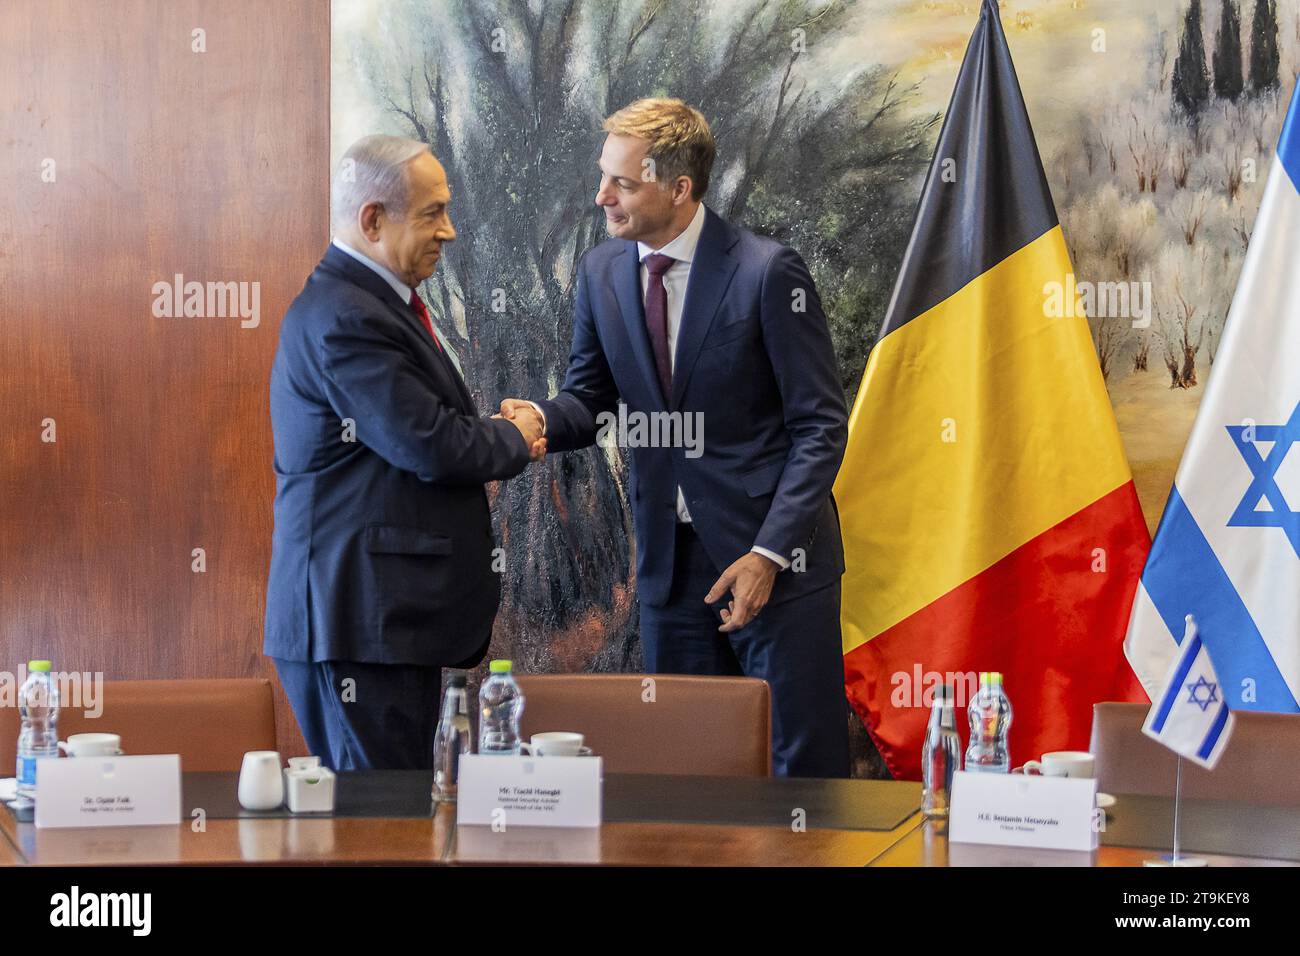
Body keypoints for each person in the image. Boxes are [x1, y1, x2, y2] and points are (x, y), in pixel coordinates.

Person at [501, 99, 850, 777]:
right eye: (604, 177)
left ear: (679, 187)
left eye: (622, 183)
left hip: (776, 566)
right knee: (688, 770)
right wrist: (542, 419)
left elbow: (820, 426)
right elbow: (590, 397)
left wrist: (770, 554)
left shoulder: (768, 273)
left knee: (799, 769)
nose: (601, 196)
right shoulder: (602, 273)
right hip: (667, 566)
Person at [264, 134, 545, 771]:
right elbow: (430, 443)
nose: (448, 230)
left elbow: (418, 432)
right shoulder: (346, 316)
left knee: (399, 821)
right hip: (357, 626)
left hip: (380, 625)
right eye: (432, 213)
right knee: (382, 828)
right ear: (372, 220)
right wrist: (518, 436)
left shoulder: (369, 306)